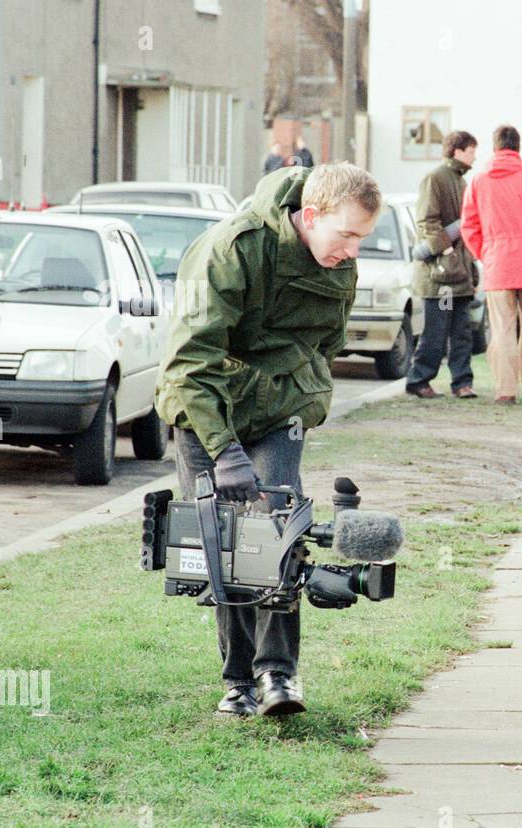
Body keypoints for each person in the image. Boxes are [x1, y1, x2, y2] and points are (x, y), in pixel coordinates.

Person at [155, 162, 381, 718]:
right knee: (223, 540)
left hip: (279, 408)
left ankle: (279, 674)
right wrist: (226, 451)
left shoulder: (336, 262)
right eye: (346, 234)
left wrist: (301, 390)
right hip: (205, 405)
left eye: (361, 238)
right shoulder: (230, 250)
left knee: (278, 529)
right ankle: (238, 682)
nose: (352, 250)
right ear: (311, 215)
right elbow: (190, 362)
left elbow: (327, 342)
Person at [461, 124, 522, 405]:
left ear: (494, 148)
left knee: (502, 329)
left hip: (498, 265)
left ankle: (505, 391)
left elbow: (469, 226)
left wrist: (486, 253)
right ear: (518, 147)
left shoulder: (479, 182)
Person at [406, 130, 479, 399]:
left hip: (457, 273)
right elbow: (427, 222)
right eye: (471, 150)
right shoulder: (436, 178)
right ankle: (419, 380)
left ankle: (462, 382)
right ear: (457, 151)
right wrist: (446, 252)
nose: (475, 156)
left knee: (462, 333)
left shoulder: (460, 181)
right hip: (439, 276)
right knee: (436, 333)